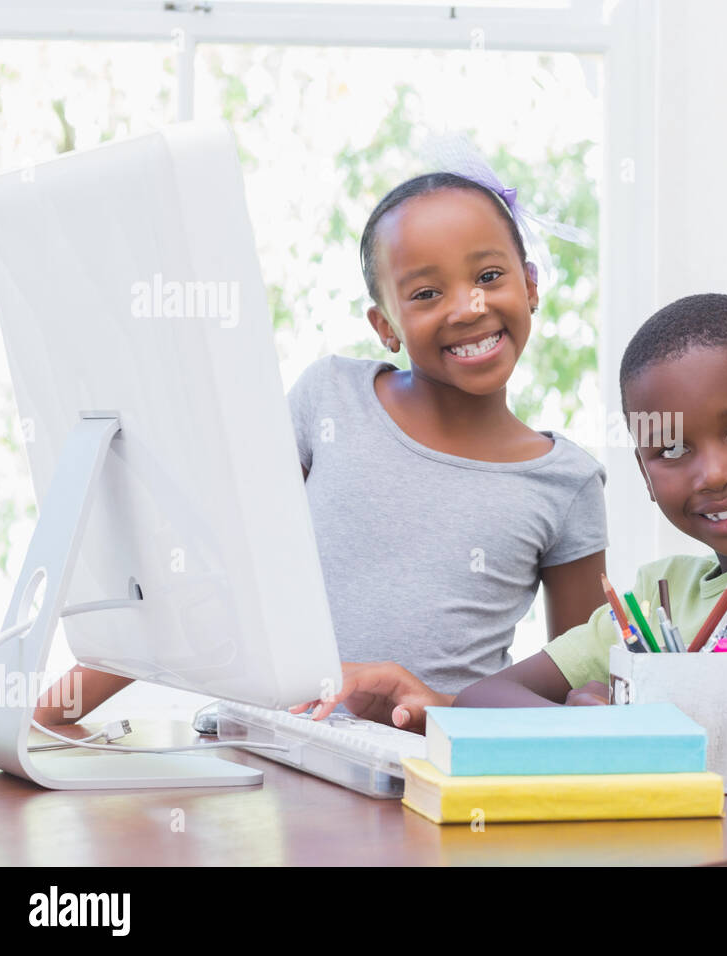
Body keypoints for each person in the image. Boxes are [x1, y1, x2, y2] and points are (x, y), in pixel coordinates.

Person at [35, 168, 609, 734]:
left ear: (530, 286)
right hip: (270, 748)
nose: (467, 307)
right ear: (385, 325)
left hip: (429, 777)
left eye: (488, 275)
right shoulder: (330, 398)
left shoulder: (566, 482)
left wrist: (436, 710)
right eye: (427, 293)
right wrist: (34, 719)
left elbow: (571, 690)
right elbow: (209, 574)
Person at [450, 294, 727, 778]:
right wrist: (588, 725)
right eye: (671, 449)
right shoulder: (656, 596)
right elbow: (478, 700)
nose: (713, 475)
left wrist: (623, 720)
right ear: (645, 476)